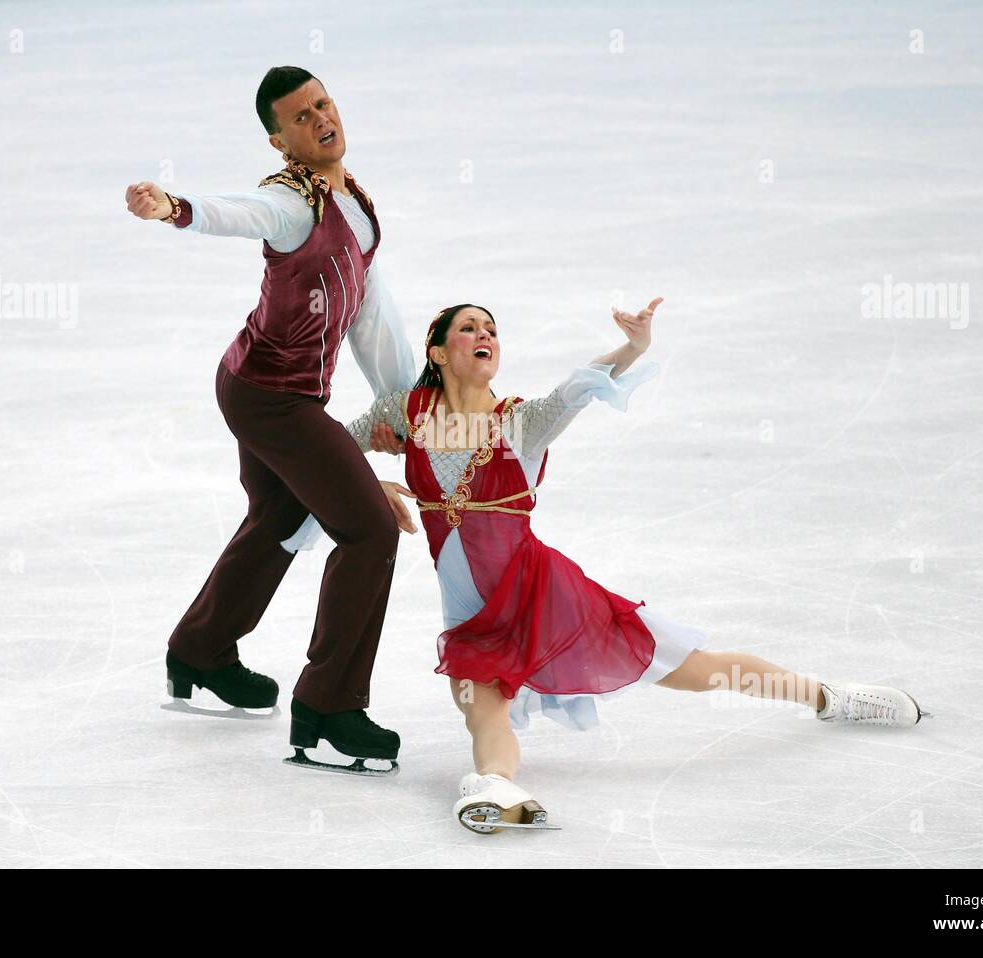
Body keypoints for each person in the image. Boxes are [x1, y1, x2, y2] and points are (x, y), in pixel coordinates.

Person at [341, 297, 930, 829]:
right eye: (468, 327)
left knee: (696, 669)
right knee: (479, 708)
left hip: (546, 598)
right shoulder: (405, 413)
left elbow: (574, 389)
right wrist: (375, 484)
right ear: (439, 350)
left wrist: (633, 347)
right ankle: (494, 785)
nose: (484, 334)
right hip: (472, 619)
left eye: (491, 328)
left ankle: (831, 695)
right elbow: (331, 449)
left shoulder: (519, 422)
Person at [124, 65, 417, 775]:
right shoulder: (290, 204)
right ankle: (329, 707)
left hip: (271, 389)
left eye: (323, 103)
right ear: (279, 139)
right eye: (300, 116)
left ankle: (200, 651)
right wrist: (175, 207)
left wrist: (413, 406)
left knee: (281, 518)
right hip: (268, 397)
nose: (320, 118)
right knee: (370, 529)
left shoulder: (356, 204)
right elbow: (239, 212)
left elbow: (370, 316)